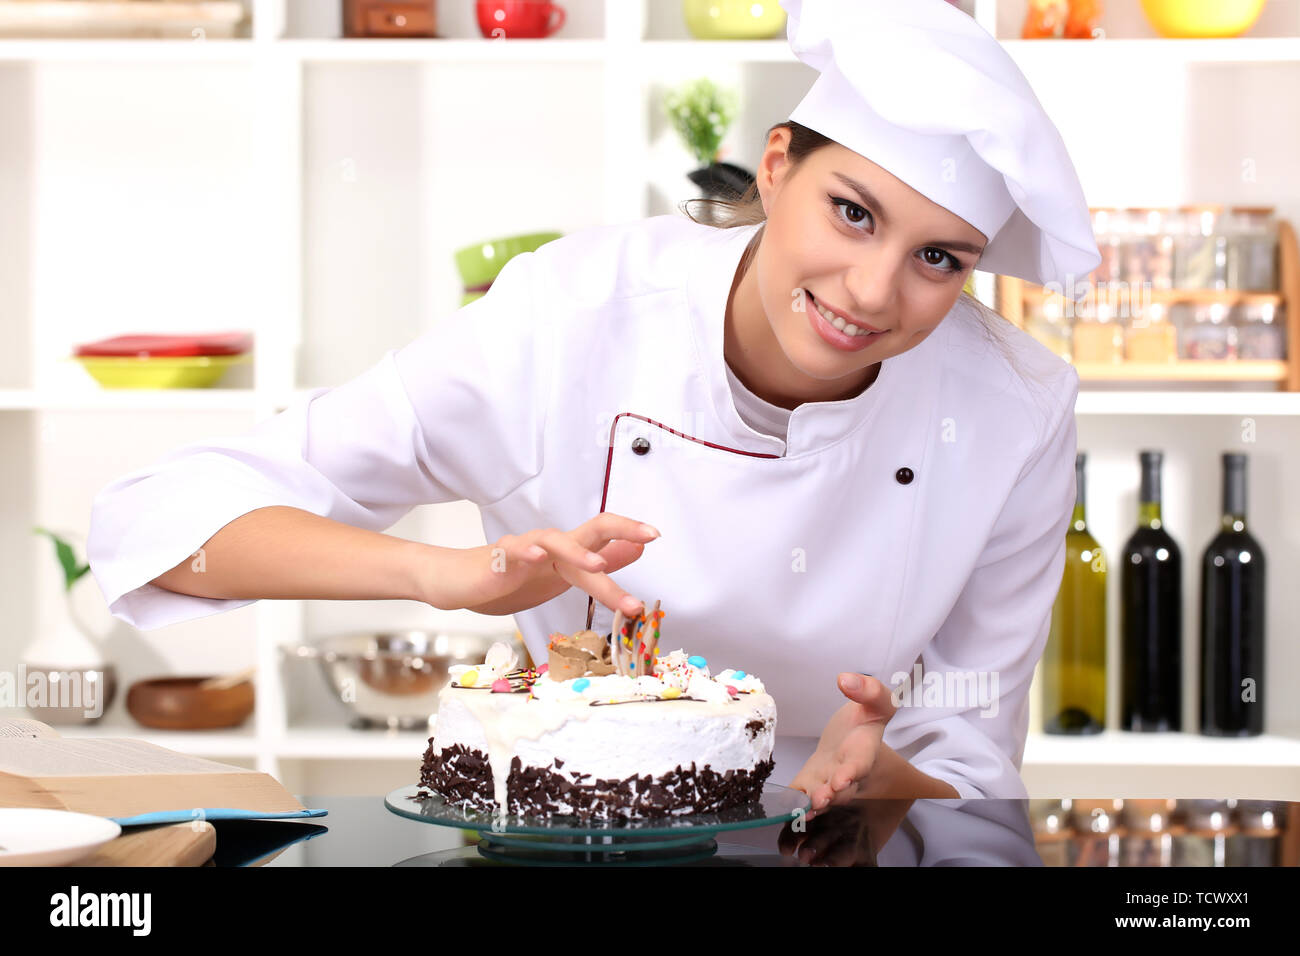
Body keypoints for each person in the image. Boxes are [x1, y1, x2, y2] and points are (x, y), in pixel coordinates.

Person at [87, 0, 1100, 813]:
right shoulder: (575, 315)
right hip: (576, 839)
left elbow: (969, 765)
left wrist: (884, 782)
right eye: (851, 212)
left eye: (937, 258)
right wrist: (447, 574)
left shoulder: (1013, 411)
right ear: (777, 165)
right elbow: (161, 520)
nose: (873, 291)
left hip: (838, 846)